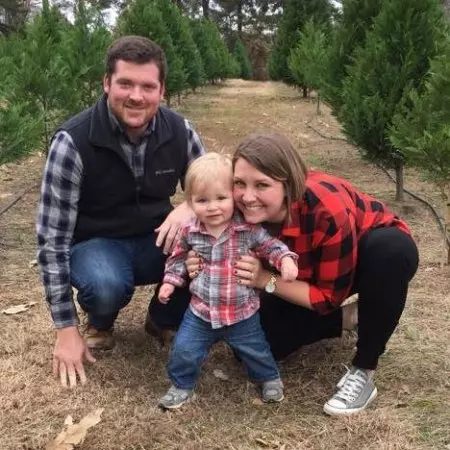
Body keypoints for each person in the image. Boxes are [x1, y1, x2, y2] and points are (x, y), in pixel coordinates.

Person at [153, 133, 419, 416]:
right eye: (239, 184)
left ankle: (364, 368)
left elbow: (328, 297)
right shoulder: (235, 206)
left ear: (288, 185)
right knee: (261, 343)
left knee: (389, 251)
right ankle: (351, 318)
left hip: (358, 261)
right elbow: (206, 207)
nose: (247, 196)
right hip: (295, 273)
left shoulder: (327, 210)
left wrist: (262, 279)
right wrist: (197, 256)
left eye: (262, 185)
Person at [36, 36, 205, 389]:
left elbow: (214, 190)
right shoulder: (73, 141)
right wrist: (64, 330)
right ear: (106, 83)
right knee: (106, 284)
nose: (136, 96)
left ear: (162, 90)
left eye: (147, 86)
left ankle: (162, 318)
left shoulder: (179, 131)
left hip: (156, 239)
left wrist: (188, 205)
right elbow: (52, 240)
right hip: (96, 243)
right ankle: (100, 320)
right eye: (125, 83)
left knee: (206, 250)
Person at [156, 153, 299, 409]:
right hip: (201, 311)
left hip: (241, 312)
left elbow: (270, 246)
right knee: (184, 350)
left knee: (256, 349)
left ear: (233, 197)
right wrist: (170, 281)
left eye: (221, 198)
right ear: (190, 202)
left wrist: (285, 260)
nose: (212, 207)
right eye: (202, 200)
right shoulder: (190, 231)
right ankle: (181, 385)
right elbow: (177, 259)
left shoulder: (248, 230)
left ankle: (269, 377)